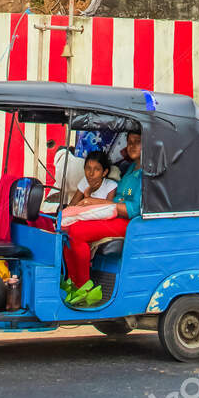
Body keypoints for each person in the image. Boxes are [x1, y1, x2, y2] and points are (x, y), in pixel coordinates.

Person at [62, 128, 142, 306]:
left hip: (129, 223)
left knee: (77, 232)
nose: (132, 146)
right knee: (67, 230)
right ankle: (73, 282)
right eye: (129, 142)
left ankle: (85, 288)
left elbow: (134, 209)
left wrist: (105, 204)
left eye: (137, 141)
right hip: (114, 217)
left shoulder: (146, 174)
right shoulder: (129, 169)